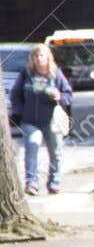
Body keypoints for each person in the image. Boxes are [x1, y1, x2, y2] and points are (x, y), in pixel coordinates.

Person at [7, 43, 73, 196]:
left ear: (48, 57)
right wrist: (21, 111)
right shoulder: (27, 74)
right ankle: (31, 183)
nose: (38, 59)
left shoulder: (55, 74)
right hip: (30, 120)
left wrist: (59, 96)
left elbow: (68, 94)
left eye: (41, 55)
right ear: (32, 59)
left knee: (55, 151)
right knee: (32, 145)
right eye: (36, 56)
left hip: (51, 120)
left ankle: (54, 182)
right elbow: (15, 94)